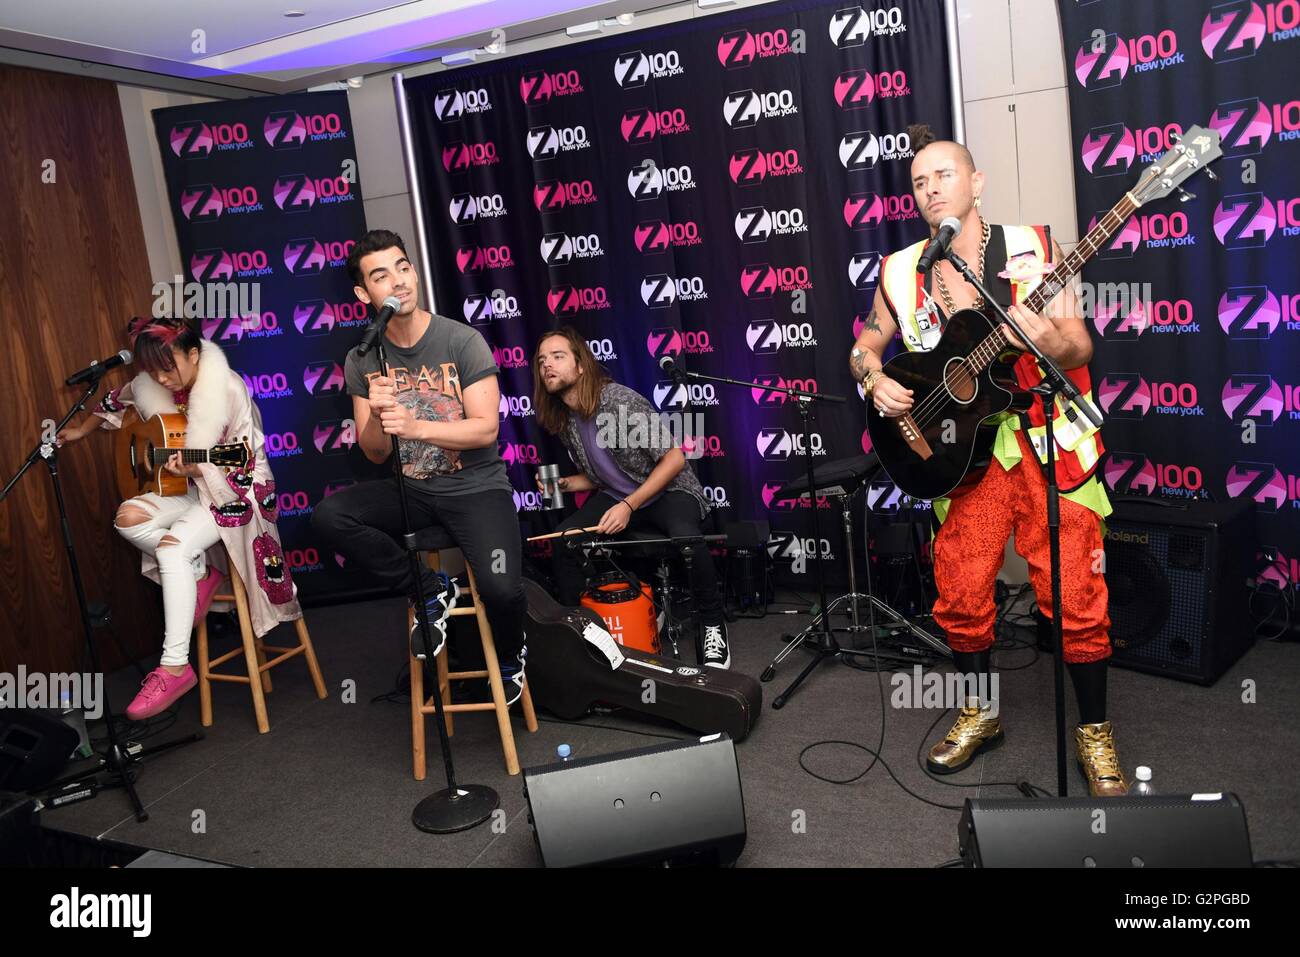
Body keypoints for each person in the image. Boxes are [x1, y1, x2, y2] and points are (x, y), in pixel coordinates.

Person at [847, 124, 1125, 796]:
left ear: (977, 183)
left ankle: (1095, 732)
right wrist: (869, 377)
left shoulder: (1032, 247)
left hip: (1043, 439)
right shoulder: (900, 269)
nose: (930, 188)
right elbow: (865, 344)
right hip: (961, 454)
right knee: (962, 589)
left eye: (943, 175)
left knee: (1076, 592)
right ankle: (980, 714)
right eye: (918, 182)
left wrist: (1046, 335)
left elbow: (1080, 348)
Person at [311, 229, 528, 702]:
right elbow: (373, 452)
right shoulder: (362, 358)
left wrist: (415, 426)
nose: (398, 281)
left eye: (403, 267)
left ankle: (512, 655)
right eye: (381, 275)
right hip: (411, 489)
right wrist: (379, 417)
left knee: (501, 589)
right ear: (363, 293)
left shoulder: (461, 340)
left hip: (475, 487)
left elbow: (485, 429)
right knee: (330, 516)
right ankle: (429, 588)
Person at [58, 317, 300, 719]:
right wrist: (81, 431)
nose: (162, 379)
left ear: (193, 353)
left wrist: (197, 466)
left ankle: (174, 666)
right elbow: (118, 397)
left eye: (168, 368)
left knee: (171, 549)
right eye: (153, 371)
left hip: (236, 495)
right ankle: (201, 572)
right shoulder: (152, 382)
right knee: (128, 516)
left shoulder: (227, 389)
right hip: (194, 493)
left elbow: (247, 459)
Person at [532, 327, 729, 668]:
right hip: (620, 496)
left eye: (558, 356)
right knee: (566, 542)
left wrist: (628, 505)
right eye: (541, 360)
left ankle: (712, 622)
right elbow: (601, 474)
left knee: (685, 535)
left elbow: (673, 458)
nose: (547, 364)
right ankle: (582, 633)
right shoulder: (566, 418)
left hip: (669, 490)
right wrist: (564, 484)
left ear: (581, 366)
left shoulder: (615, 402)